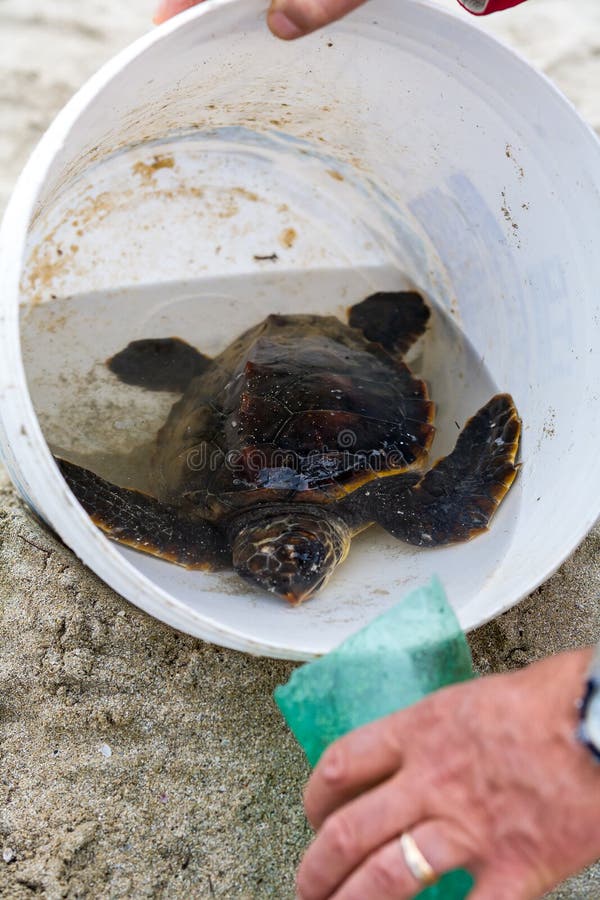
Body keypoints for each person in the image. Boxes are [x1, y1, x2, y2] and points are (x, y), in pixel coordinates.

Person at [155, 1, 600, 897]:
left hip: (334, 379)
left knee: (448, 514)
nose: (294, 584)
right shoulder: (234, 527)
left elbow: (121, 507)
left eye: (294, 566)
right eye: (290, 572)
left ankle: (376, 336)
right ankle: (196, 372)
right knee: (443, 518)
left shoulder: (247, 524)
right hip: (244, 393)